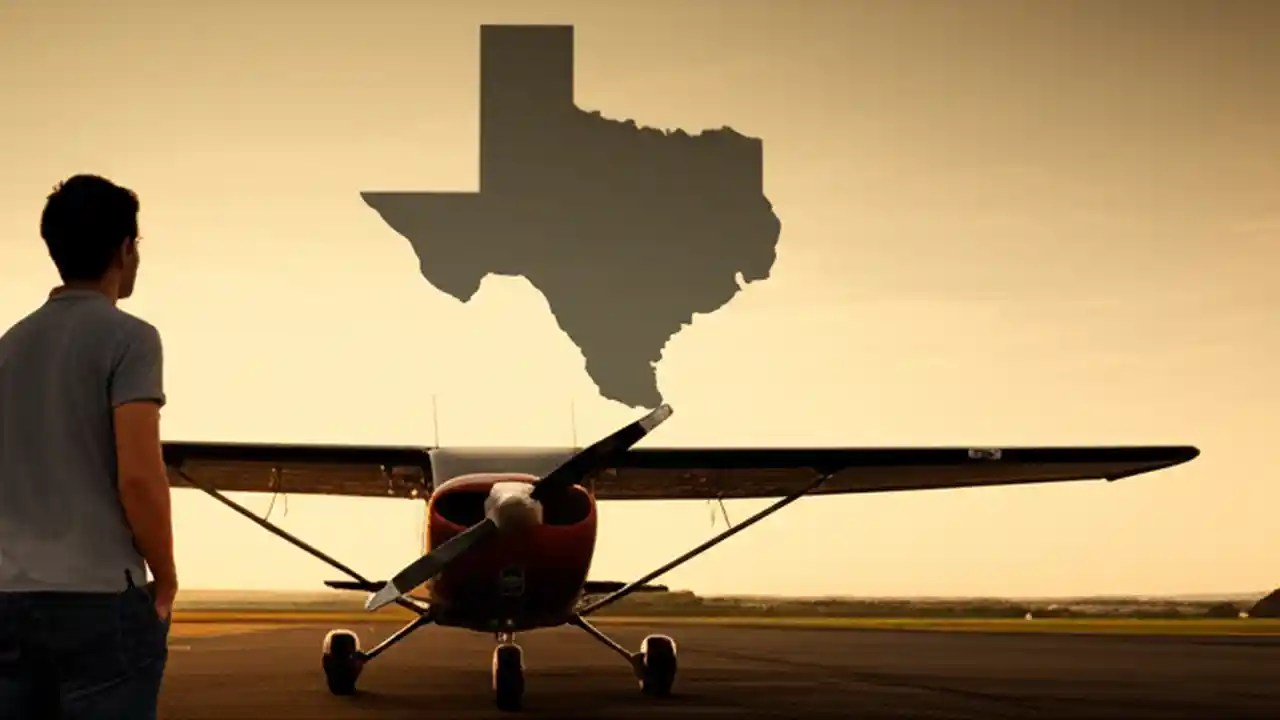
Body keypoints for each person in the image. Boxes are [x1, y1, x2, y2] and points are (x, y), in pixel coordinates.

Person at [0, 174, 177, 719]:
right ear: (125, 249)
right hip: (100, 600)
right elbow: (140, 476)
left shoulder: (9, 346)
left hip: (8, 600)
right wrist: (165, 577)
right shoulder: (131, 339)